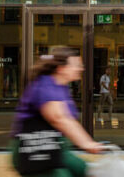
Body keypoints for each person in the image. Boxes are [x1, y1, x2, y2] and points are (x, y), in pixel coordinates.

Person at [11, 47, 104, 177]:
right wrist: (86, 143)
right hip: (33, 148)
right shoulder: (45, 85)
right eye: (76, 65)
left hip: (54, 145)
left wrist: (88, 142)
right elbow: (58, 118)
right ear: (61, 68)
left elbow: (68, 120)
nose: (81, 68)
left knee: (83, 169)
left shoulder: (61, 86)